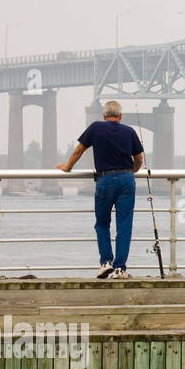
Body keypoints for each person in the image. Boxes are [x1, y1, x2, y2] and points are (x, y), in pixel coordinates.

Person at [55, 100, 144, 279]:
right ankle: (120, 269)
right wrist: (130, 172)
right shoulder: (129, 131)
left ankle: (105, 263)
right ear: (120, 116)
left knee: (102, 223)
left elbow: (79, 150)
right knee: (124, 225)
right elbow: (139, 159)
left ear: (104, 116)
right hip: (126, 180)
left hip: (104, 180)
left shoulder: (96, 127)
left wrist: (68, 167)